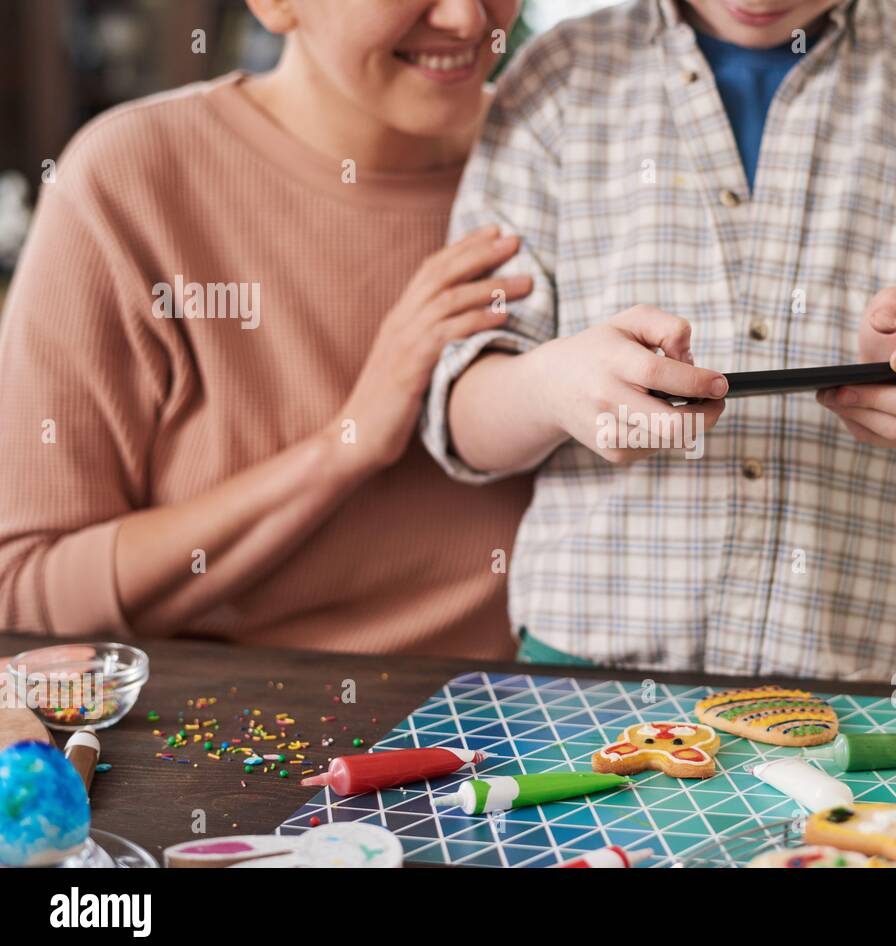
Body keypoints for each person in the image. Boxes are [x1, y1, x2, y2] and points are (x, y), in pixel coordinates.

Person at [425, 0, 896, 677]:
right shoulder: (555, 77)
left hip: (862, 678)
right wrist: (549, 385)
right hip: (584, 673)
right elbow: (466, 409)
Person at [0, 0, 534, 657]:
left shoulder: (565, 164)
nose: (467, 19)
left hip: (544, 732)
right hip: (233, 735)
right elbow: (23, 591)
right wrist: (348, 444)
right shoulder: (129, 183)